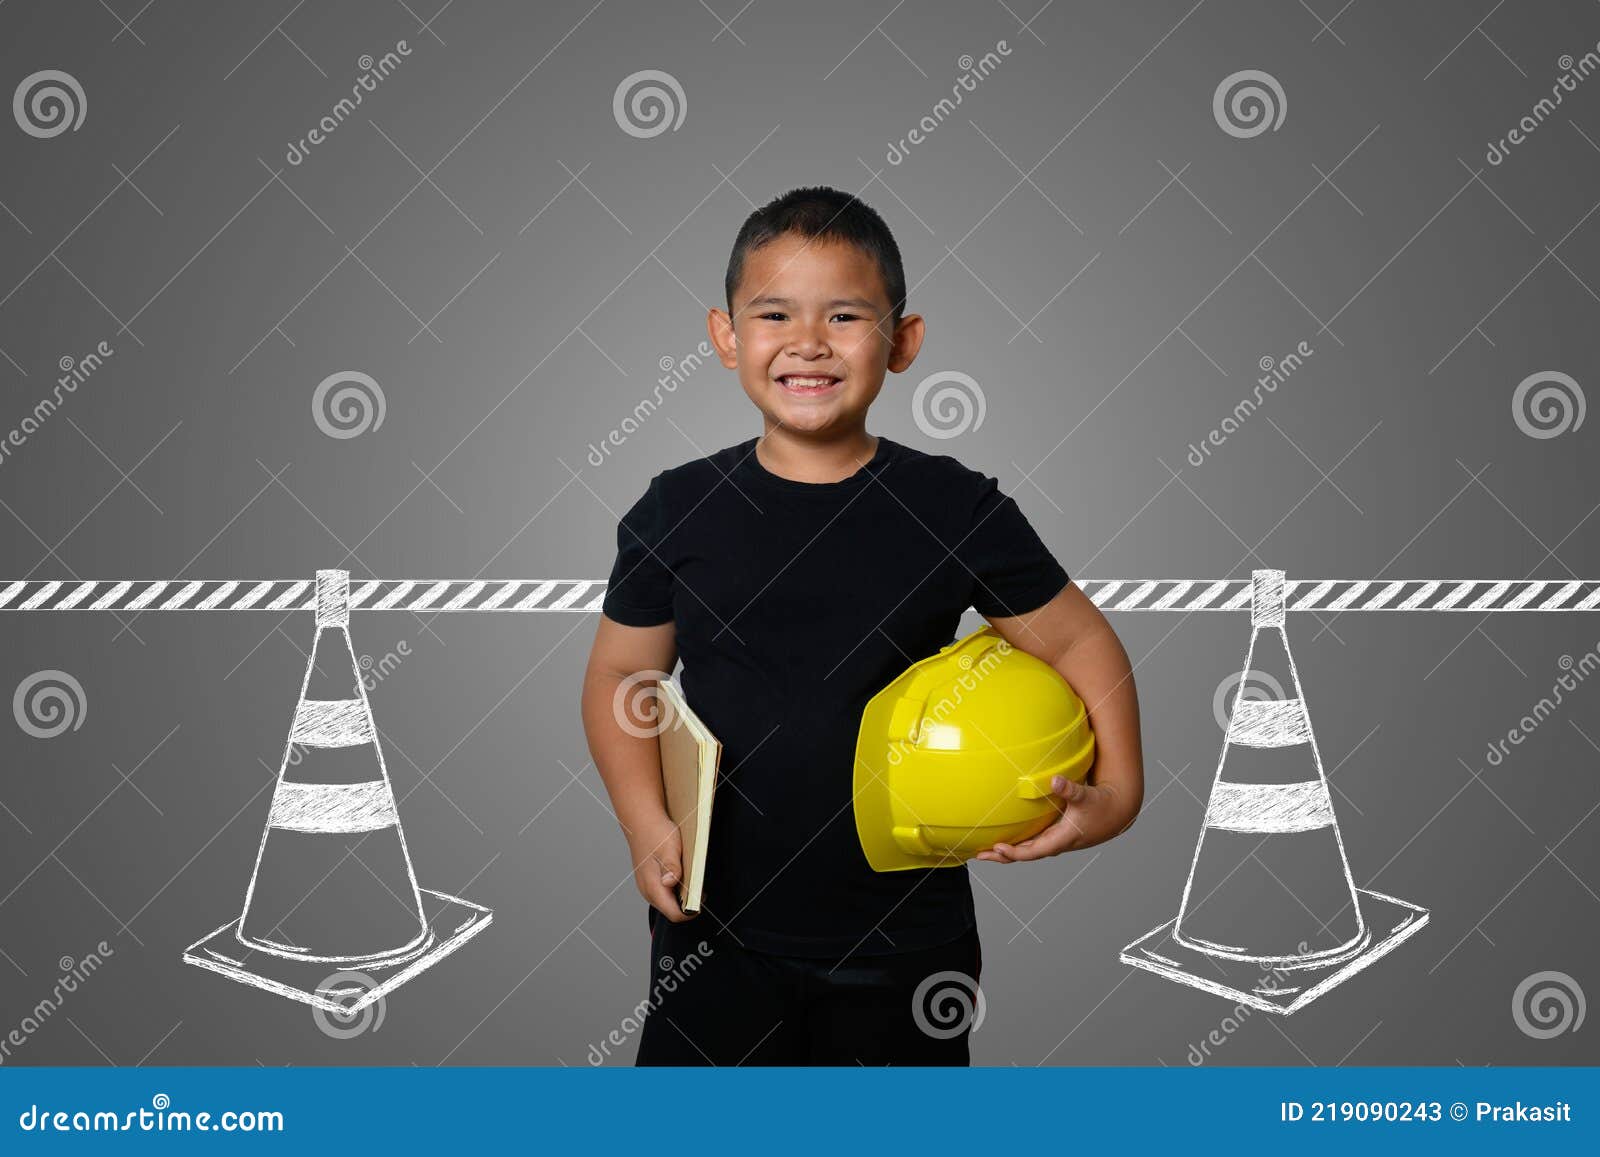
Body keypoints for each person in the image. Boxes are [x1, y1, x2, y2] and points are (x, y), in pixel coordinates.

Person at [579, 186, 1144, 1065]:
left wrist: (1122, 792)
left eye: (844, 315)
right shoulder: (677, 509)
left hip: (906, 938)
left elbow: (1076, 641)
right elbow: (622, 678)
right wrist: (644, 821)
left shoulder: (954, 507)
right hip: (713, 929)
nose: (808, 342)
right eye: (774, 314)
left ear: (903, 341)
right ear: (727, 337)